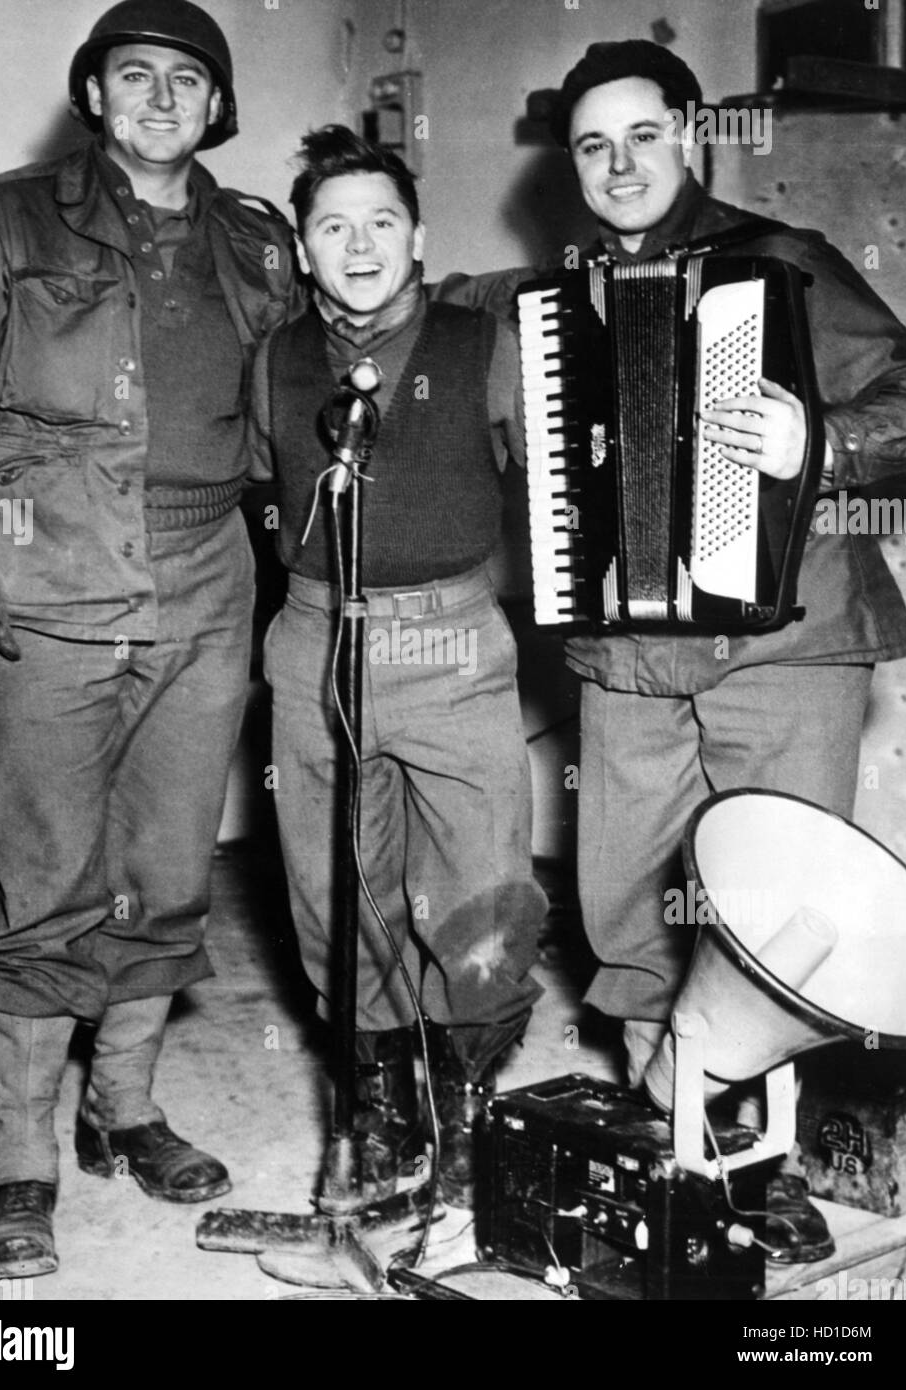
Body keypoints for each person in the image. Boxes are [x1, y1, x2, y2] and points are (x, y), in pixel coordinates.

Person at [508, 40, 906, 1262]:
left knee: (782, 911)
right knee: (626, 898)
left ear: (689, 133)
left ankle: (768, 1159)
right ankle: (676, 1127)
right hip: (629, 647)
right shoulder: (568, 295)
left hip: (789, 636)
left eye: (643, 135)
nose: (619, 164)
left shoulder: (779, 263)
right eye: (593, 145)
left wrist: (823, 441)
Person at [0, 0, 296, 1280]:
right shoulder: (2, 219)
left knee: (171, 872)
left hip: (208, 582)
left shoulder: (260, 242)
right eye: (131, 74)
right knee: (42, 890)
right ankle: (18, 1157)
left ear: (216, 105)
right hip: (48, 587)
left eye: (186, 79)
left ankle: (121, 1108)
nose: (158, 97)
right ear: (92, 93)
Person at [252, 125, 546, 1207]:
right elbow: (247, 490)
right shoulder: (274, 356)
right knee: (337, 894)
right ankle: (379, 1112)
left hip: (454, 640)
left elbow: (564, 490)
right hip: (314, 637)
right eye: (333, 224)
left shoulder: (487, 343)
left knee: (479, 893)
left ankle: (466, 1119)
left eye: (382, 220)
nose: (360, 243)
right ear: (302, 244)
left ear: (419, 235)